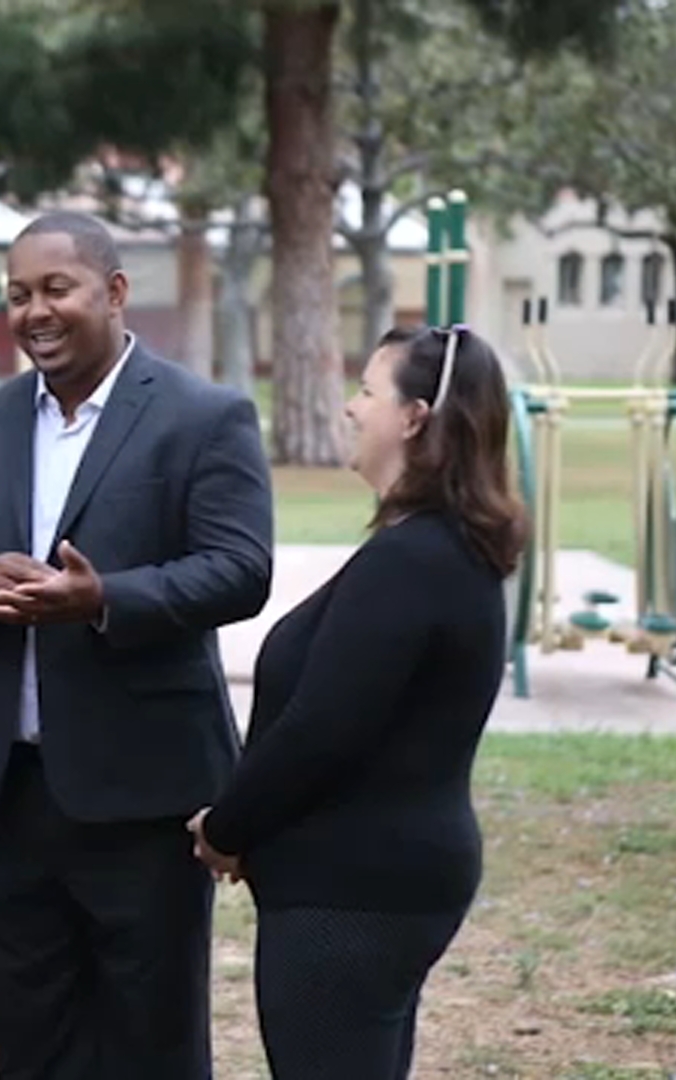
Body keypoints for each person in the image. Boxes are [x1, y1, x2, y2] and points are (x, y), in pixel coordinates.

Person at [0, 210, 275, 1079]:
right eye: (20, 295)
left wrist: (105, 599)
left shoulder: (202, 416)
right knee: (27, 1039)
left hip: (144, 797)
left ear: (114, 292)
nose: (34, 312)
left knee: (152, 1042)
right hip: (7, 797)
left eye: (56, 289)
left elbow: (239, 569)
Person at [189, 325, 526, 1079]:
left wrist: (228, 825)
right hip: (381, 882)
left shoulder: (413, 561)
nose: (350, 408)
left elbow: (323, 729)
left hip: (353, 896)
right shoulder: (438, 549)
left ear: (413, 418)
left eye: (369, 392)